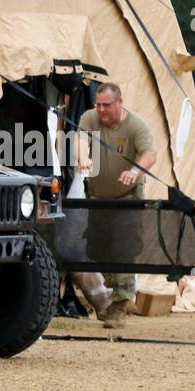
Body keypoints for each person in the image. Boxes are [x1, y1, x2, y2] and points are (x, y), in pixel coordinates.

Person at [73, 82, 158, 329]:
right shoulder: (90, 118)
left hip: (127, 198)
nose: (101, 110)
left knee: (122, 250)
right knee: (98, 251)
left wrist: (134, 171)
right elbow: (80, 139)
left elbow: (149, 154)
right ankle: (116, 293)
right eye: (98, 104)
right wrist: (82, 157)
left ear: (120, 102)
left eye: (107, 105)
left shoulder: (136, 125)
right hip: (99, 198)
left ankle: (121, 304)